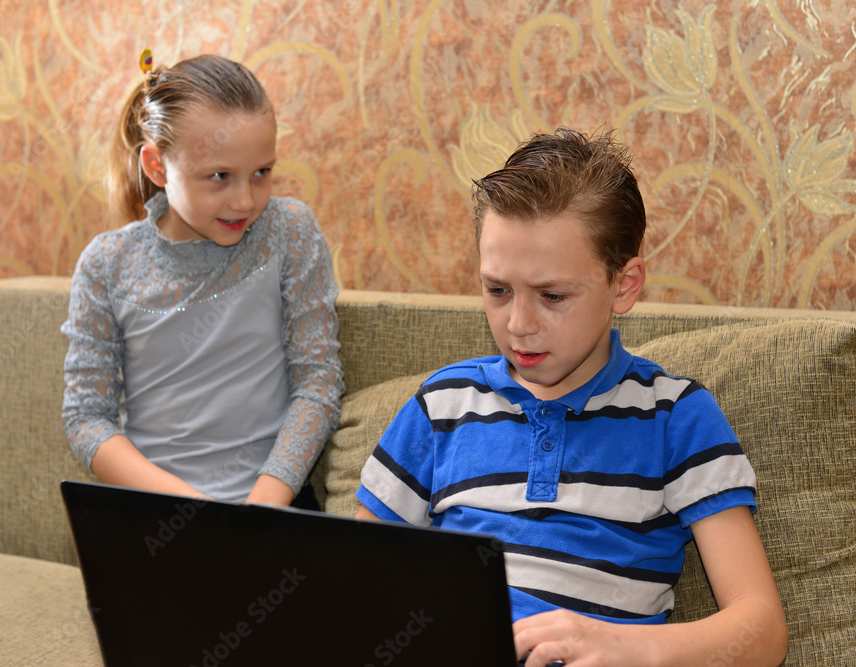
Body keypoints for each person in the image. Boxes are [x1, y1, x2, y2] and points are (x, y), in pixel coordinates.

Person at [355, 128, 787, 665]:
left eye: (552, 295)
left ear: (624, 285)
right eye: (497, 290)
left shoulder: (675, 417)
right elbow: (351, 583)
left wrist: (624, 648)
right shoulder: (442, 404)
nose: (518, 325)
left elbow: (763, 631)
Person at [61, 54, 343, 506]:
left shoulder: (289, 231)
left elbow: (318, 384)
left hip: (274, 506)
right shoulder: (106, 263)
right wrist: (192, 510)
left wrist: (263, 506)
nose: (246, 199)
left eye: (261, 172)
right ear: (157, 167)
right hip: (155, 516)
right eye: (219, 176)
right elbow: (86, 418)